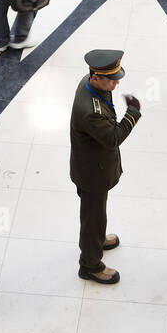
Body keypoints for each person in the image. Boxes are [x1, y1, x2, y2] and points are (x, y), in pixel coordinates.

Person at [70, 49, 141, 285]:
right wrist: (132, 113)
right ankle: (90, 265)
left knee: (96, 215)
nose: (116, 82)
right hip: (92, 173)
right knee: (93, 218)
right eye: (111, 79)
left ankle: (97, 240)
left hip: (94, 165)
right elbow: (113, 137)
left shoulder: (92, 84)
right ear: (96, 77)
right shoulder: (89, 111)